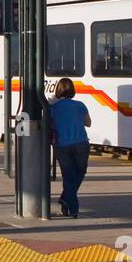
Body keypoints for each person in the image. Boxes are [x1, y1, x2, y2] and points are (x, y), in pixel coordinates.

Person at [48, 78, 91, 217]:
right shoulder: (80, 105)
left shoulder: (53, 108)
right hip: (81, 143)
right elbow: (88, 123)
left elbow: (50, 124)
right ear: (73, 90)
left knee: (68, 176)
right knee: (80, 172)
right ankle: (68, 202)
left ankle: (70, 205)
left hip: (62, 145)